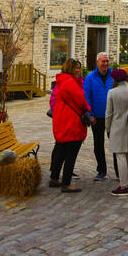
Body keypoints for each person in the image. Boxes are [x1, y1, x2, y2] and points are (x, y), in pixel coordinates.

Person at [49, 58, 90, 193]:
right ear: (69, 68)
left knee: (61, 150)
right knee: (71, 152)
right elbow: (81, 100)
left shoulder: (61, 81)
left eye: (79, 68)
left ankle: (54, 178)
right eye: (76, 68)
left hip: (62, 121)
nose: (78, 70)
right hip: (71, 122)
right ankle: (66, 183)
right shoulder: (70, 82)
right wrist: (89, 110)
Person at [105, 68, 128, 197]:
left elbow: (108, 113)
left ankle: (123, 185)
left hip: (117, 127)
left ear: (115, 79)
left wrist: (107, 128)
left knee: (120, 156)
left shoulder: (112, 92)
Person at [82, 52, 115, 181]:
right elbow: (86, 97)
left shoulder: (113, 76)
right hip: (97, 117)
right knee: (98, 145)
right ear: (97, 62)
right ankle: (101, 170)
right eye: (103, 61)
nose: (105, 64)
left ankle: (119, 171)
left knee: (116, 145)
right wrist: (90, 114)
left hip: (112, 117)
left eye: (107, 61)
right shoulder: (90, 78)